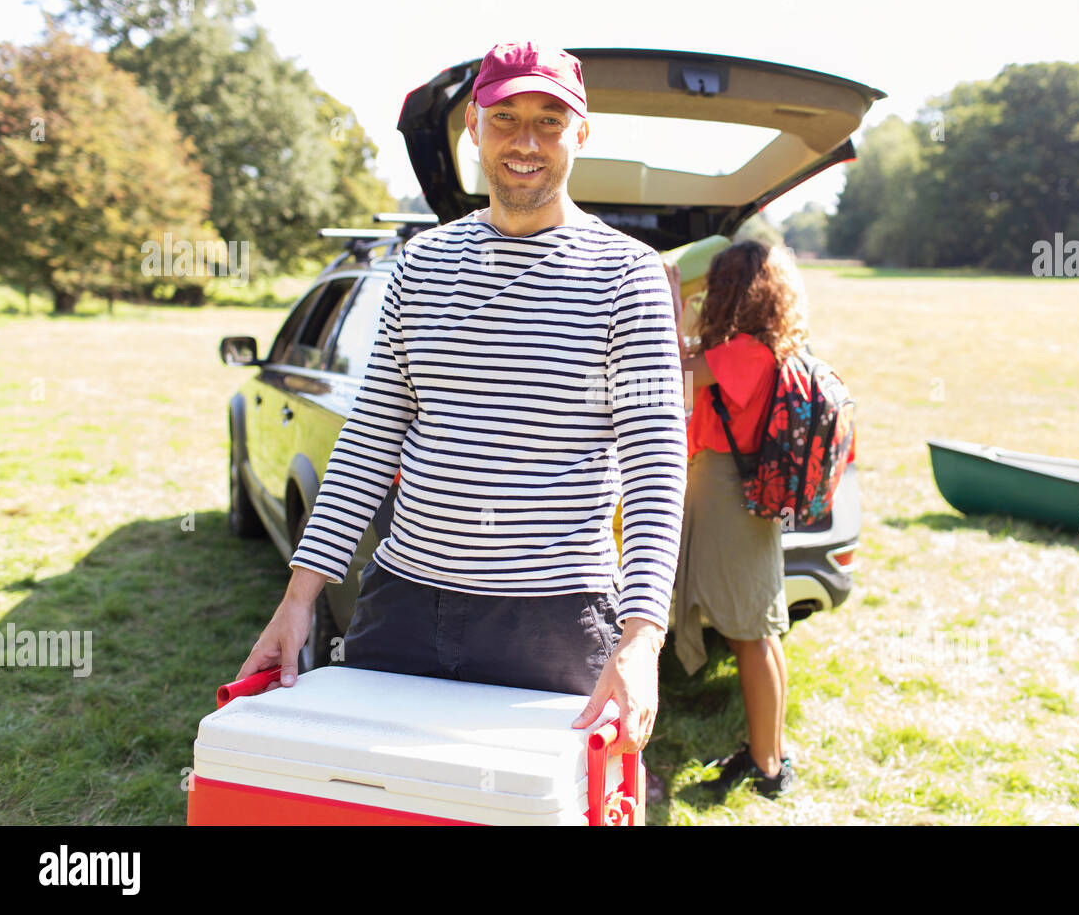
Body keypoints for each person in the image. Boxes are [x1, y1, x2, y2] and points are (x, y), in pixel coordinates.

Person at [234, 41, 687, 756]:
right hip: (404, 602)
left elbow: (658, 466)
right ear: (473, 127)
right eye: (506, 118)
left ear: (582, 133)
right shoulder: (420, 264)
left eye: (549, 120)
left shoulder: (627, 276)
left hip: (556, 623)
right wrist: (298, 600)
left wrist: (641, 640)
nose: (526, 142)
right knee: (383, 796)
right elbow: (369, 438)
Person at [664, 239, 807, 797]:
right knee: (761, 631)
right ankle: (769, 752)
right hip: (741, 494)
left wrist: (672, 304)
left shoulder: (745, 352)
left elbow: (672, 369)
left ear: (731, 292)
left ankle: (769, 767)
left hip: (729, 494)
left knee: (751, 633)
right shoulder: (757, 346)